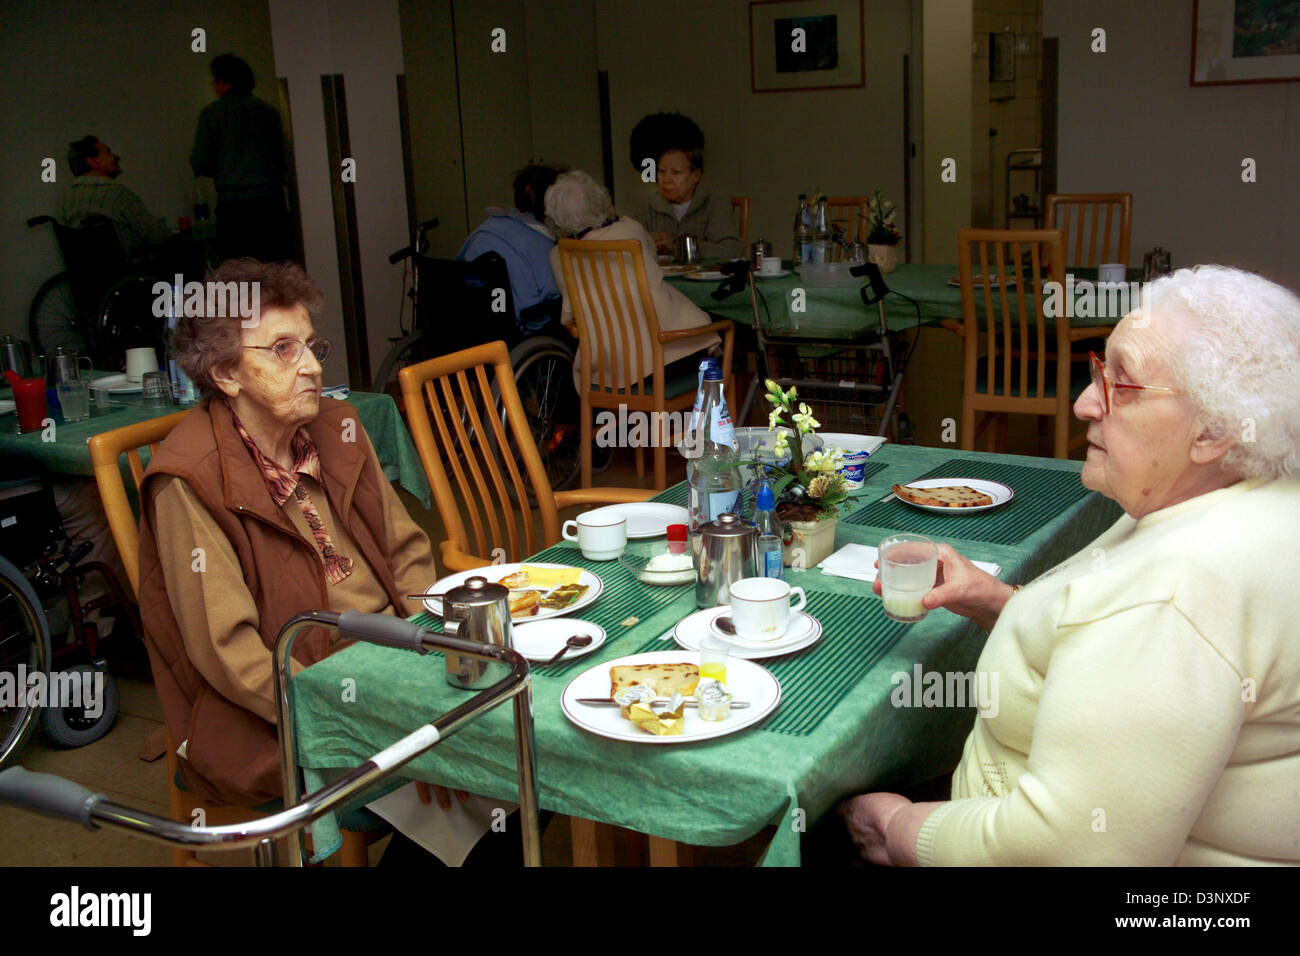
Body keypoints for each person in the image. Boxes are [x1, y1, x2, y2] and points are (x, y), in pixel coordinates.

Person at [834, 265, 1300, 866]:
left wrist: (899, 828)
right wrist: (999, 602)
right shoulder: (1239, 492)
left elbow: (1072, 850)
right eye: (1097, 373)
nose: (1083, 404)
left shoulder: (1179, 588)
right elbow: (1115, 647)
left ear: (1212, 430)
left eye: (1121, 384)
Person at [137, 259, 436, 808]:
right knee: (487, 767)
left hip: (394, 661)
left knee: (523, 721)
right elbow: (230, 654)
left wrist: (424, 655)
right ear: (226, 375)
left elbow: (407, 549)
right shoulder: (189, 481)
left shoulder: (338, 426)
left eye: (311, 347)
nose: (312, 368)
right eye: (282, 350)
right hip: (296, 704)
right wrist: (366, 716)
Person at [545, 170, 720, 389]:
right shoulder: (629, 230)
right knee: (717, 338)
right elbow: (653, 259)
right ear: (599, 200)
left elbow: (571, 317)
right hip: (662, 363)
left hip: (604, 371)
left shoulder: (558, 255)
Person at [190, 54, 291, 262]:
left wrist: (225, 167)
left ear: (222, 82)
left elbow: (200, 161)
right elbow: (284, 158)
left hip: (233, 208)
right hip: (271, 205)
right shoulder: (269, 113)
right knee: (275, 273)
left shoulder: (212, 114)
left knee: (239, 278)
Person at [457, 164, 565, 334]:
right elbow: (548, 304)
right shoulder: (545, 246)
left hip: (472, 326)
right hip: (521, 332)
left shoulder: (486, 228)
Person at [630, 113, 741, 260]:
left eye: (676, 172)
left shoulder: (714, 203)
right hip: (660, 280)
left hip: (705, 280)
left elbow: (732, 250)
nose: (666, 180)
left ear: (695, 176)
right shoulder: (648, 206)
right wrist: (648, 243)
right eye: (662, 172)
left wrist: (680, 246)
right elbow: (628, 248)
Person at [59, 136, 174, 257]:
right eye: (108, 152)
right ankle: (180, 277)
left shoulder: (67, 200)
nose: (116, 157)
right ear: (93, 162)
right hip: (135, 270)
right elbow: (158, 237)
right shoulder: (118, 194)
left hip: (92, 274)